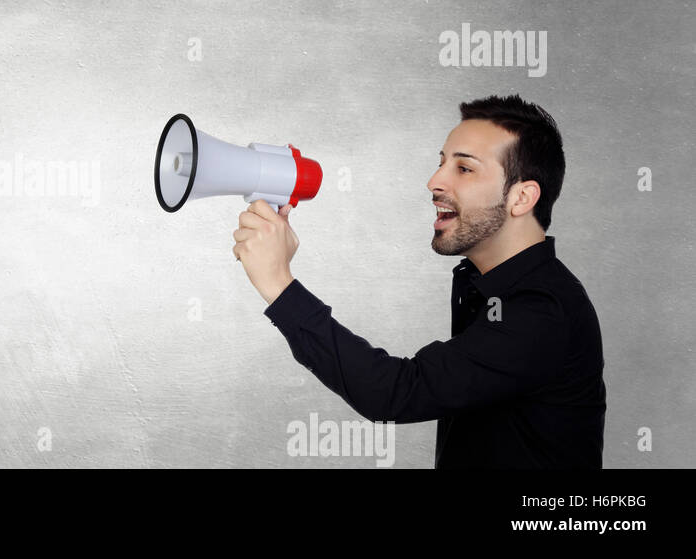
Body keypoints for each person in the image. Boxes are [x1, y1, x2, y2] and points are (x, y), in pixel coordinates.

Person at [233, 95, 606, 468]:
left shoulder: (541, 309)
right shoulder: (486, 286)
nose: (434, 181)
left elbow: (394, 392)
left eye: (464, 168)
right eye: (441, 163)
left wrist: (279, 285)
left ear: (521, 197)